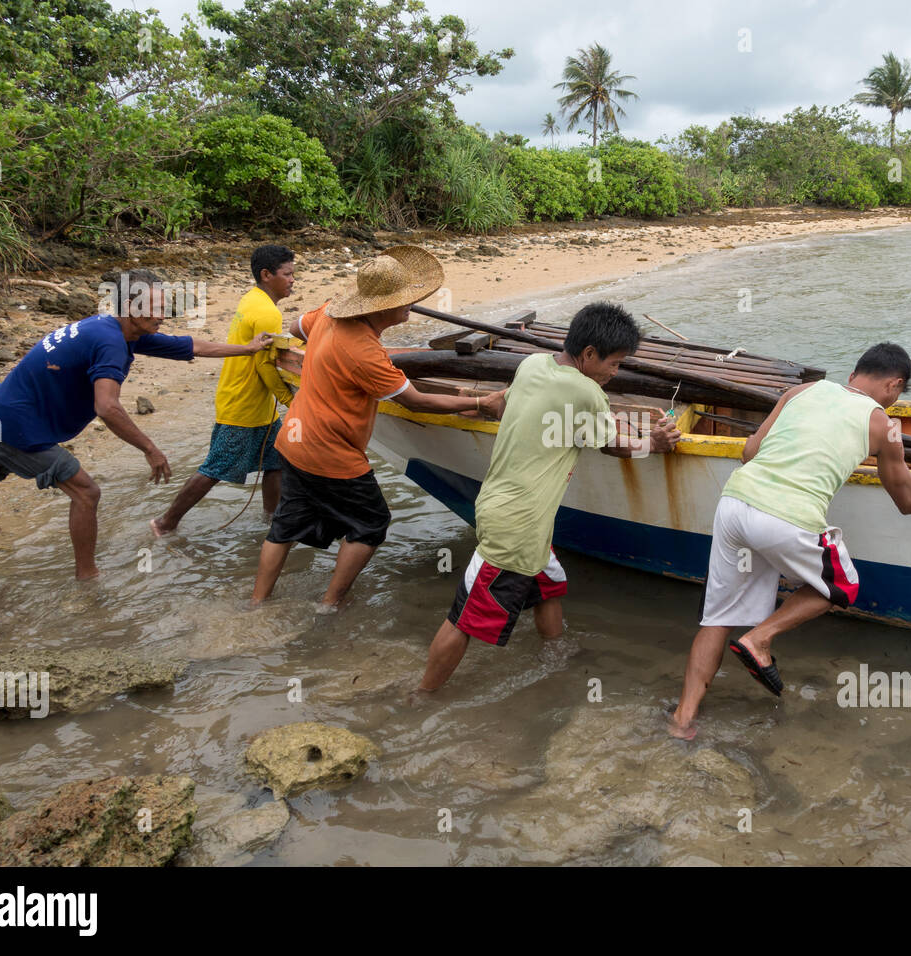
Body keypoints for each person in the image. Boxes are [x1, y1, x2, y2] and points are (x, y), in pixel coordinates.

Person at [669, 343, 911, 740]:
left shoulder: (803, 390)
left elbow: (749, 451)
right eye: (897, 394)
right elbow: (909, 502)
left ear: (853, 375)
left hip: (735, 504)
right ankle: (759, 639)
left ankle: (682, 720)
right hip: (787, 517)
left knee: (717, 617)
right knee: (842, 587)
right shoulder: (884, 424)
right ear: (894, 386)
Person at [418, 302, 681, 693]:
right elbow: (612, 446)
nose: (615, 372)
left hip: (508, 507)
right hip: (517, 524)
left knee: (549, 585)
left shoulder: (533, 365)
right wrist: (653, 444)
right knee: (467, 617)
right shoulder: (586, 392)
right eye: (615, 363)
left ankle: (556, 658)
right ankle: (421, 695)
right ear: (589, 354)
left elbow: (533, 411)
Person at [0, 269, 276, 579]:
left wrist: (247, 348)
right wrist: (150, 449)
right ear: (130, 307)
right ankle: (88, 583)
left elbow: (192, 346)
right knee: (86, 493)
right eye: (155, 308)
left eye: (165, 306)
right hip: (17, 432)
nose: (163, 314)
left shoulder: (119, 329)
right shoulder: (110, 342)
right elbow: (106, 406)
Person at [249, 246, 505, 611]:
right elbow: (415, 401)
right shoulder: (366, 353)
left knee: (285, 526)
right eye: (404, 301)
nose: (410, 306)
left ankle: (257, 601)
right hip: (330, 452)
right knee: (372, 523)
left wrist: (327, 360)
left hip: (293, 439)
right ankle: (331, 603)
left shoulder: (328, 313)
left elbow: (294, 328)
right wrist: (481, 403)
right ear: (379, 308)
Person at [152, 245, 298, 535]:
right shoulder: (268, 313)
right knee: (216, 467)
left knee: (277, 460)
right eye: (288, 274)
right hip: (243, 405)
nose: (293, 280)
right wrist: (290, 399)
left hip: (253, 403)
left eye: (294, 274)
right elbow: (264, 366)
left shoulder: (252, 298)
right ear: (267, 275)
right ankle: (165, 523)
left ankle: (272, 520)